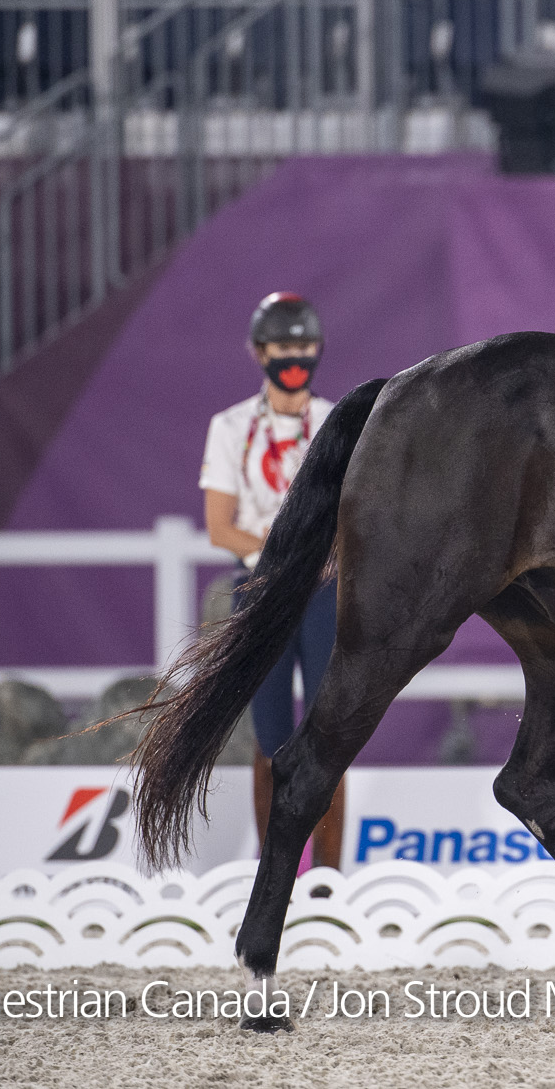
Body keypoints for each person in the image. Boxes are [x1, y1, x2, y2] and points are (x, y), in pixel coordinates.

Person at [200, 293, 345, 869]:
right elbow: (218, 526)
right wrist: (282, 550)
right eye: (284, 347)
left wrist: (320, 553)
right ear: (258, 352)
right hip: (261, 589)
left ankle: (332, 877)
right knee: (270, 736)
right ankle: (274, 869)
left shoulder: (338, 420)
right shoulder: (230, 427)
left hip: (323, 590)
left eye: (305, 346)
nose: (296, 357)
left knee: (331, 732)